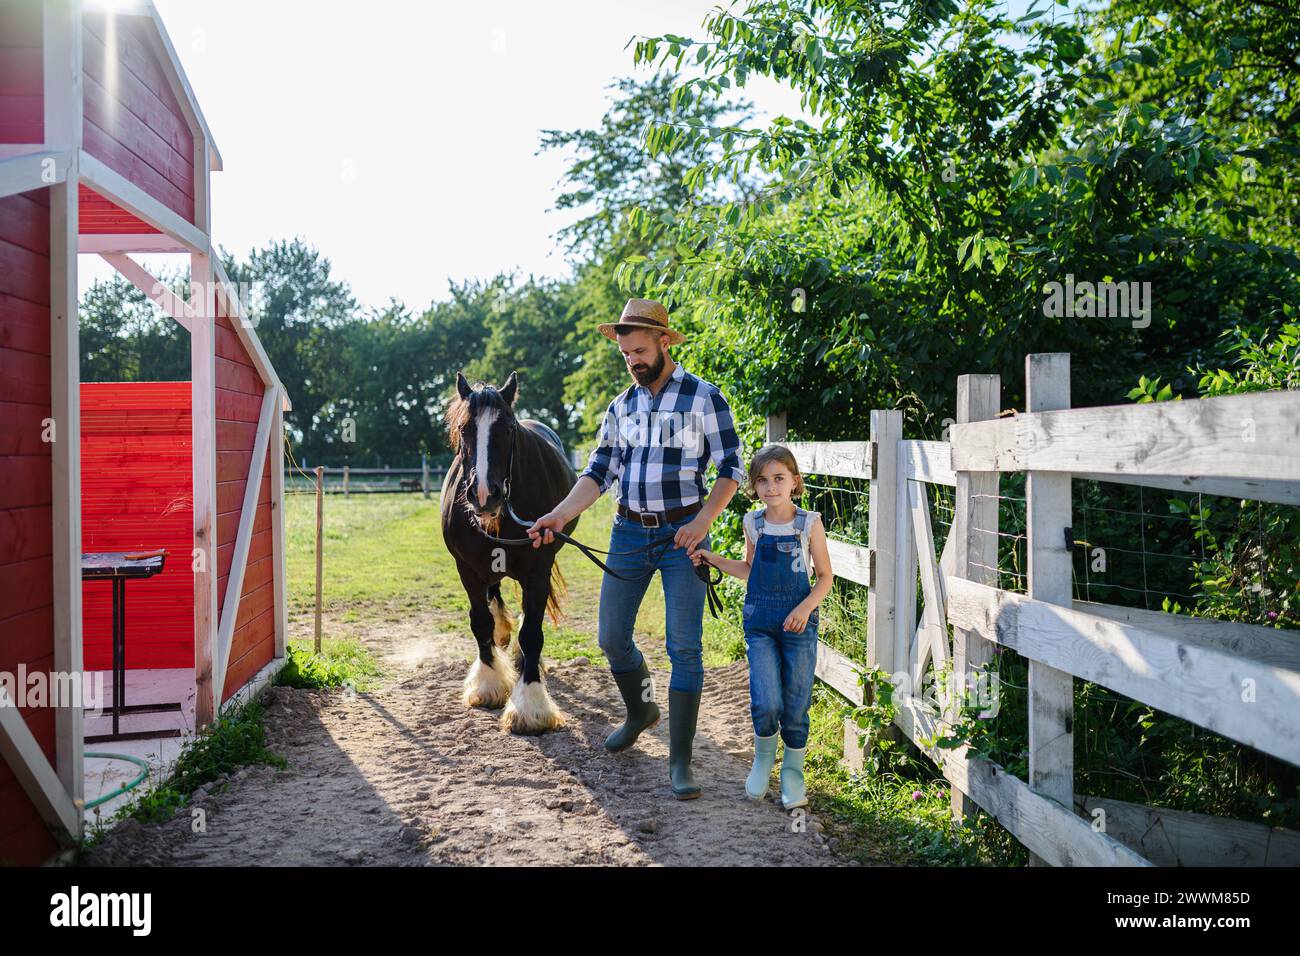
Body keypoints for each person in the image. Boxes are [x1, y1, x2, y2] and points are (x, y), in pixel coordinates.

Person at [527, 298, 744, 800]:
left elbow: (731, 468)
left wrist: (703, 521)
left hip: (682, 537)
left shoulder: (703, 399)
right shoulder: (621, 406)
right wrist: (558, 515)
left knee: (684, 647)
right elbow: (599, 473)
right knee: (611, 638)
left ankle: (681, 761)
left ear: (665, 342)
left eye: (640, 351)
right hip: (628, 531)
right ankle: (641, 708)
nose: (633, 361)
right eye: (626, 355)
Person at [689, 444, 833, 810]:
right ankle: (763, 760)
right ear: (754, 486)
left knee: (796, 701)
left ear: (794, 482)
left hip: (799, 622)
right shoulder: (752, 522)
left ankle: (793, 773)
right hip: (760, 621)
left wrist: (805, 608)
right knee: (766, 700)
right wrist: (714, 559)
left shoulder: (808, 523)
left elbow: (825, 577)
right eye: (763, 481)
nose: (771, 487)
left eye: (779, 479)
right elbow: (750, 571)